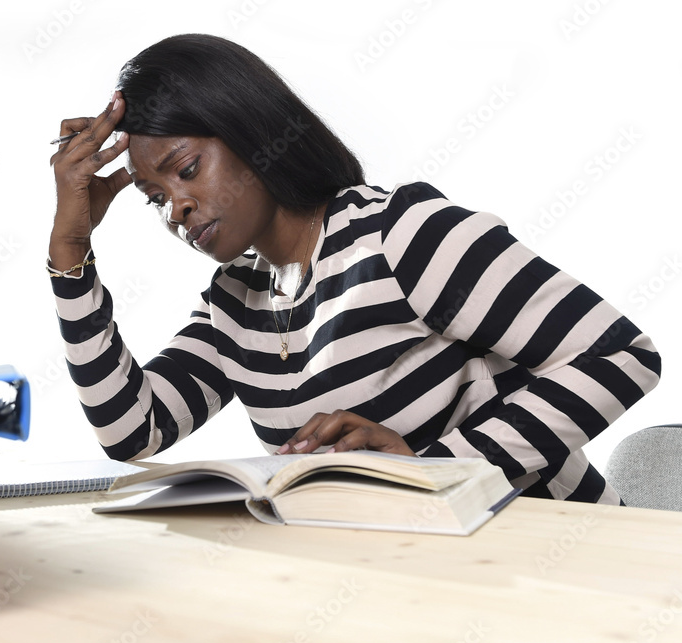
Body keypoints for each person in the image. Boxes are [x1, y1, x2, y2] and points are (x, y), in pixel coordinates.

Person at [47, 34, 660, 504]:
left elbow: (622, 356)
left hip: (560, 566)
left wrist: (435, 474)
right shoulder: (237, 302)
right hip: (417, 581)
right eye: (155, 199)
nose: (176, 209)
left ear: (249, 132)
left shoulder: (399, 234)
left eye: (186, 169)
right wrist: (71, 247)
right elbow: (132, 431)